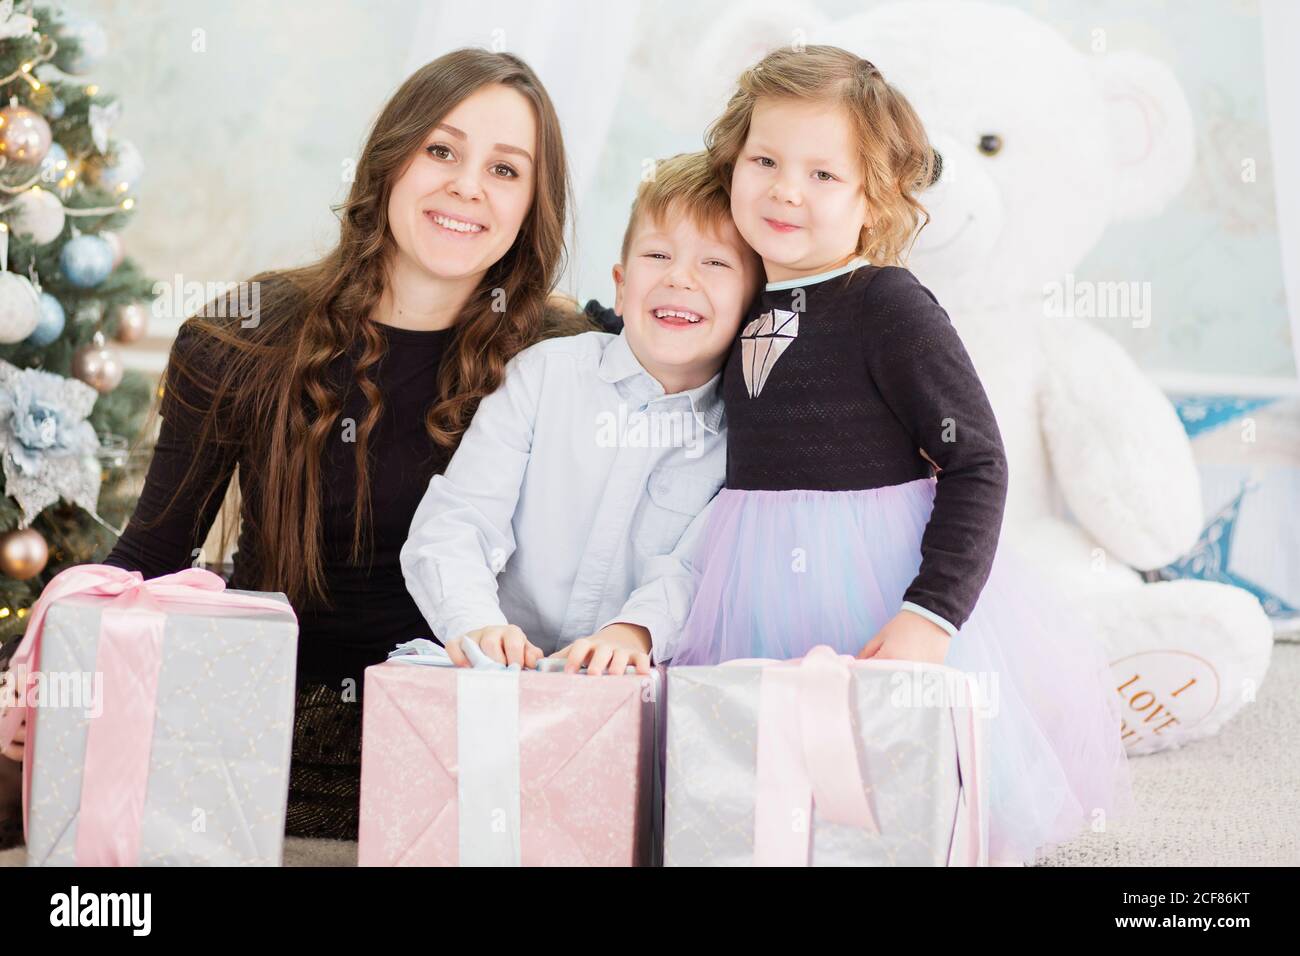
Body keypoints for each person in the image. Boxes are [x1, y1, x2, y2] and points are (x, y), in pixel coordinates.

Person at [0, 48, 590, 844]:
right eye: (441, 150)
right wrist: (39, 675)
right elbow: (152, 552)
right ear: (389, 162)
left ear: (531, 206)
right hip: (257, 733)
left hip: (467, 746)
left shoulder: (567, 358)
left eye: (506, 170)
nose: (467, 186)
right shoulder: (247, 334)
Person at [663, 45, 1135, 866]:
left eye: (823, 175)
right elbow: (655, 322)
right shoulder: (732, 287)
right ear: (731, 164)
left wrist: (931, 611)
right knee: (759, 762)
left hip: (875, 570)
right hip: (749, 561)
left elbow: (979, 461)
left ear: (873, 197)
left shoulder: (887, 303)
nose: (784, 188)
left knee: (886, 761)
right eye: (765, 160)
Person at [402, 151, 762, 675]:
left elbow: (695, 570)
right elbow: (459, 521)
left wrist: (635, 630)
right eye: (658, 256)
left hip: (632, 697)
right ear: (620, 284)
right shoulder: (544, 376)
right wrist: (476, 623)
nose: (681, 279)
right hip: (500, 682)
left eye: (716, 262)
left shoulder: (744, 435)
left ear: (753, 305)